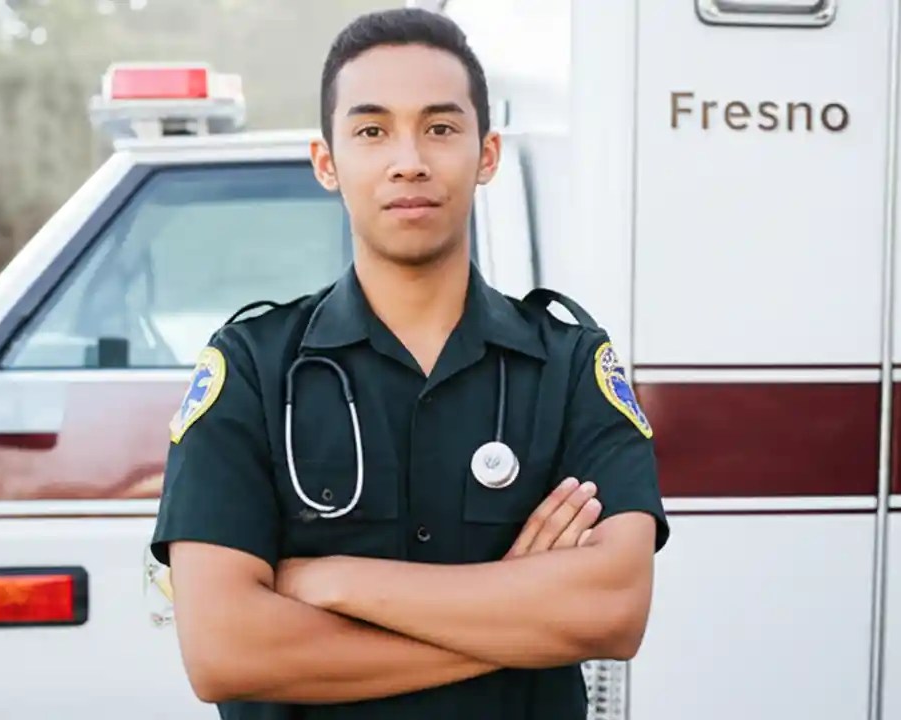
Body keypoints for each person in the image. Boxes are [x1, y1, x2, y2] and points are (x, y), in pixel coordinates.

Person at [149, 7, 670, 719]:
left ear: (485, 154)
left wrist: (336, 581)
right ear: (326, 162)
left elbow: (613, 610)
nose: (409, 160)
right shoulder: (251, 369)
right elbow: (225, 652)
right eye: (372, 130)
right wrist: (521, 620)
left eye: (440, 127)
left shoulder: (571, 364)